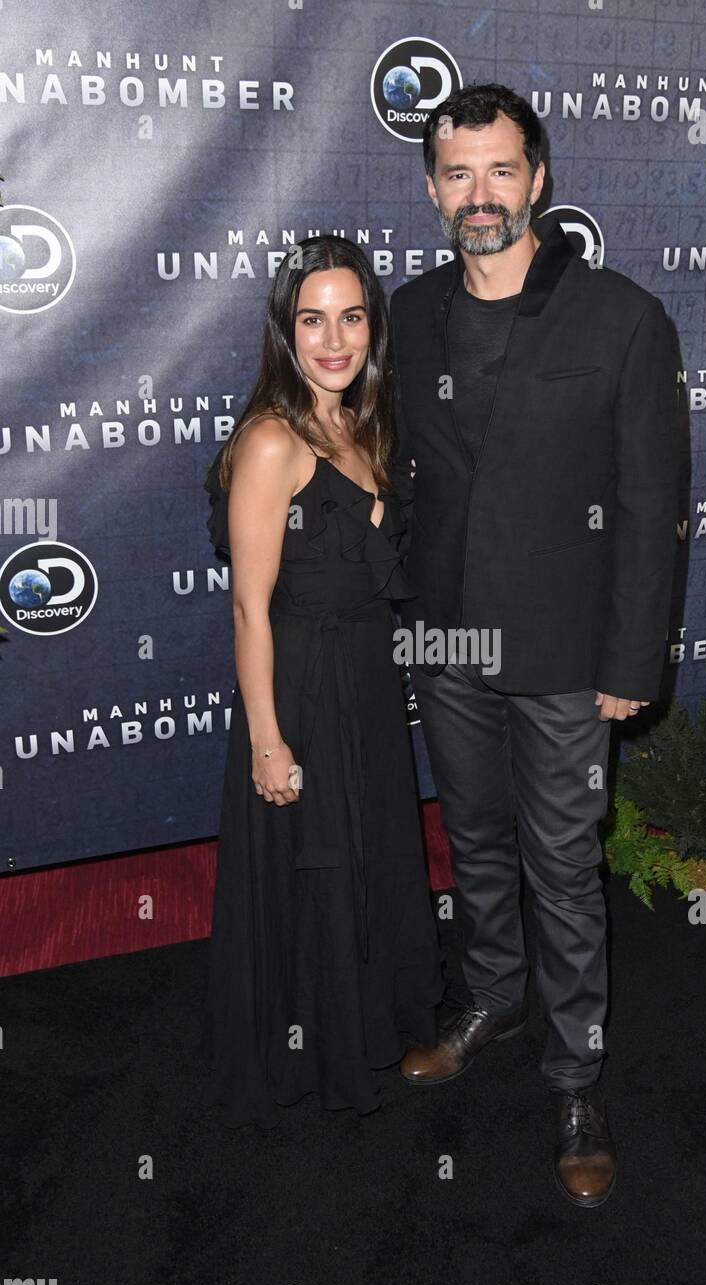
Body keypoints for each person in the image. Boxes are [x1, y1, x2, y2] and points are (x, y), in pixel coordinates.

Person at [389, 85, 681, 1206]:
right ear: (430, 188)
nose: (479, 195)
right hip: (449, 642)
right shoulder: (409, 315)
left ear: (538, 179)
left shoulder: (619, 317)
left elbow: (650, 503)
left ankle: (575, 1076)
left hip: (565, 649)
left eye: (498, 171)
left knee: (563, 868)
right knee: (472, 838)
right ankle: (491, 996)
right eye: (456, 173)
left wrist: (629, 663)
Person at [200, 234, 444, 1130]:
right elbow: (248, 611)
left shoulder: (367, 426)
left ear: (372, 327)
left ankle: (371, 1025)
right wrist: (268, 741)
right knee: (313, 868)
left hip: (371, 686)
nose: (333, 339)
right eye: (312, 319)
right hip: (298, 687)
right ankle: (310, 1047)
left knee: (371, 854)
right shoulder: (271, 441)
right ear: (284, 330)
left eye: (350, 317)